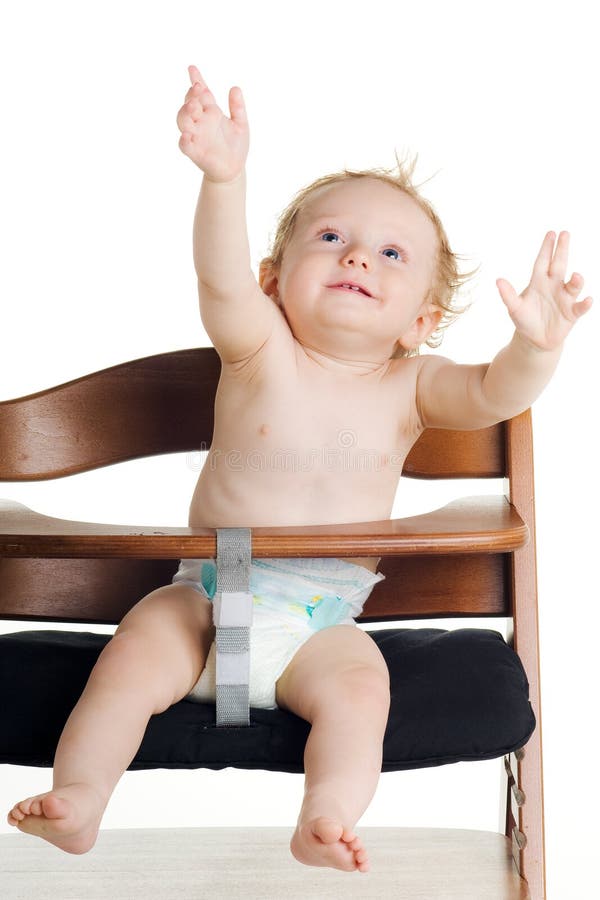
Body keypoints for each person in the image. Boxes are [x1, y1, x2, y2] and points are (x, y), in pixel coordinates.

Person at [7, 65, 592, 874]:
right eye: (329, 238)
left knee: (361, 692)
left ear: (421, 319)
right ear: (274, 281)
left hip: (320, 622)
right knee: (130, 661)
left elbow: (495, 393)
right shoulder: (258, 350)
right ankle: (80, 800)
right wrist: (225, 179)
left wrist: (535, 346)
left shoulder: (412, 387)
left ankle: (325, 813)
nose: (357, 257)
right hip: (202, 600)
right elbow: (217, 276)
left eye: (391, 252)